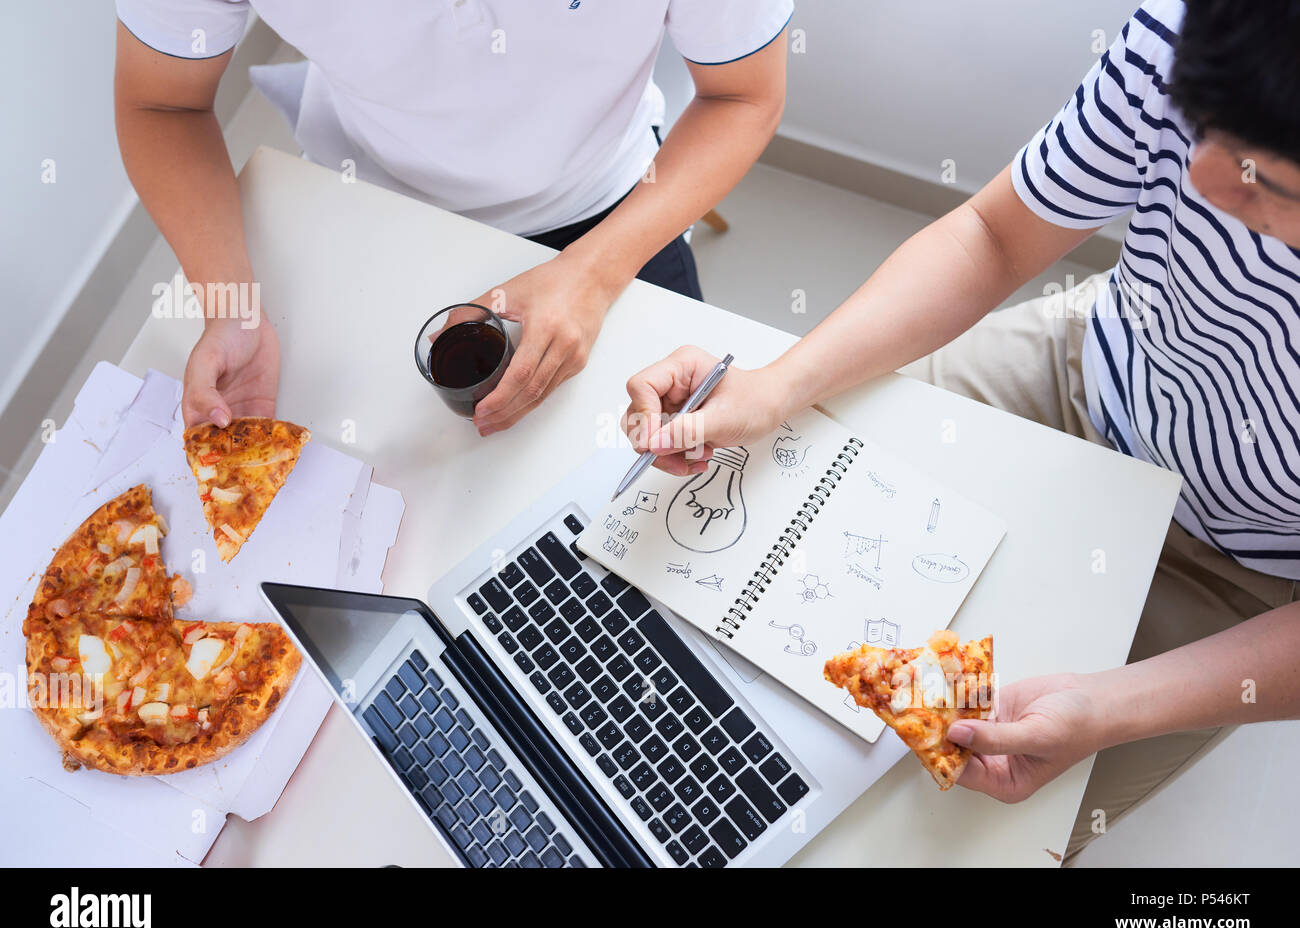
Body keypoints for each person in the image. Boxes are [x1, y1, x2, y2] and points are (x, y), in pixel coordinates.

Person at [621, 0, 1300, 861]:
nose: (1198, 176)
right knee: (755, 573)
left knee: (955, 832)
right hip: (1082, 368)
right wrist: (777, 384)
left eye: (1260, 180)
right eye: (1195, 120)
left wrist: (1109, 709)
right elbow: (991, 237)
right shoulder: (1201, 29)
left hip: (1243, 568)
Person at [113, 0, 791, 434]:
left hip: (612, 211)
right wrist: (229, 300)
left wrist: (594, 272)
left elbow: (743, 97)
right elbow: (161, 104)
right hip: (368, 208)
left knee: (683, 474)